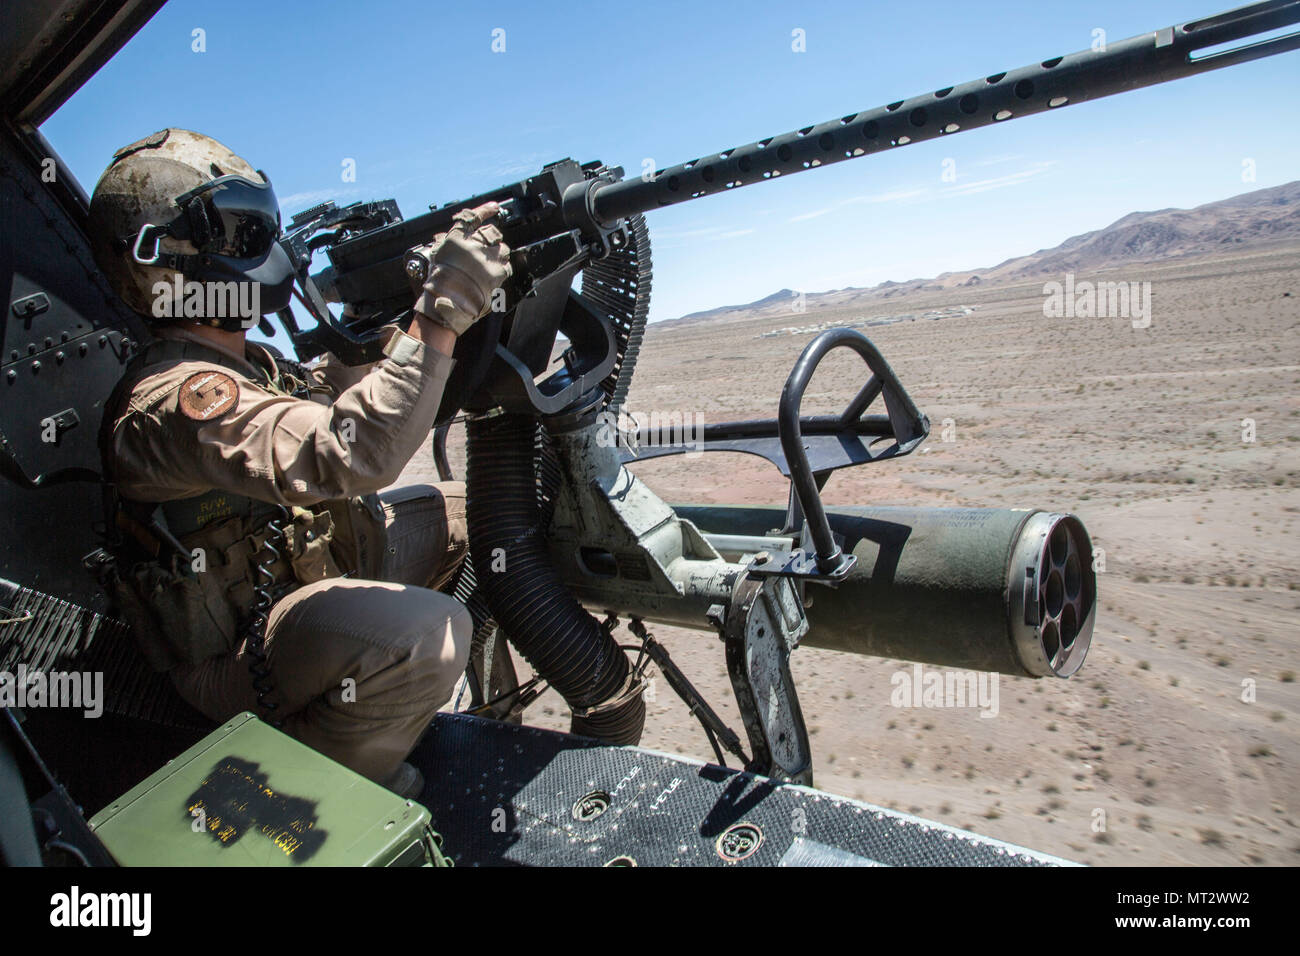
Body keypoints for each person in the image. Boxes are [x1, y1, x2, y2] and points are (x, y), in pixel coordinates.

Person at [85, 128, 510, 796]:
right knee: (428, 634)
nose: (266, 250)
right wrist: (443, 307)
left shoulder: (250, 365)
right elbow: (352, 452)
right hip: (234, 657)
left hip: (298, 597)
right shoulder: (173, 401)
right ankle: (325, 796)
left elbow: (341, 404)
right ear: (163, 261)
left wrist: (377, 314)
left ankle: (427, 709)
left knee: (478, 518)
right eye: (240, 233)